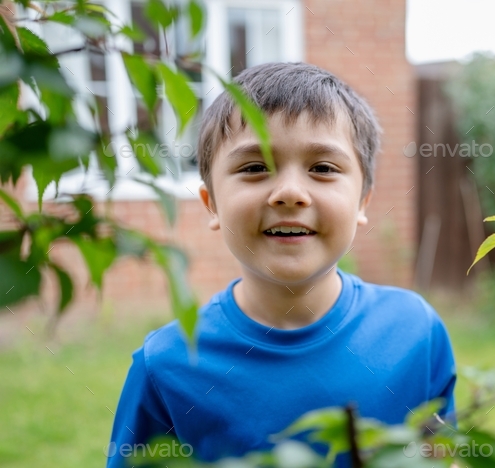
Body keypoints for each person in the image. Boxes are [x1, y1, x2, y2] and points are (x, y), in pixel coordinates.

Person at [106, 62, 456, 467]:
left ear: (363, 201)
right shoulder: (164, 366)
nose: (290, 193)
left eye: (323, 168)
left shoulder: (416, 333)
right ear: (212, 203)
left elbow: (441, 457)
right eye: (255, 168)